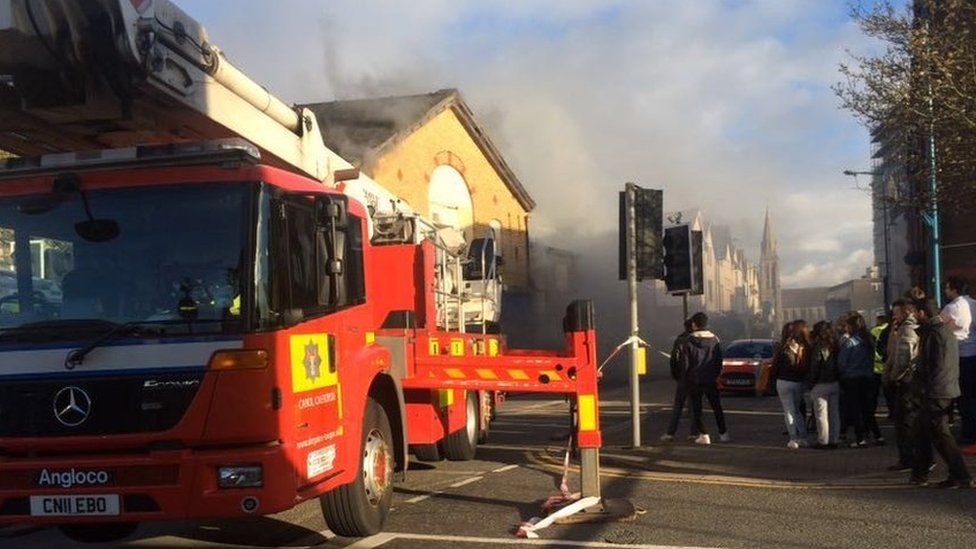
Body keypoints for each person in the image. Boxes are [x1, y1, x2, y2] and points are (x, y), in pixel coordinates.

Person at [910, 298, 974, 488]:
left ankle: (961, 475)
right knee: (923, 430)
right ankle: (921, 473)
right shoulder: (943, 331)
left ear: (923, 313)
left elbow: (935, 366)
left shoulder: (935, 333)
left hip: (937, 391)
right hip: (944, 388)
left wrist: (924, 386)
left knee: (941, 434)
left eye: (915, 312)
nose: (914, 315)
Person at [884, 299, 922, 472]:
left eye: (896, 313)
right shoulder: (903, 328)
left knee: (904, 422)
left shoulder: (907, 330)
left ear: (906, 312)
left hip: (906, 381)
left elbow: (903, 357)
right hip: (911, 380)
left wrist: (893, 376)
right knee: (909, 421)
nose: (894, 317)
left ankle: (908, 459)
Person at [681, 312, 728, 445]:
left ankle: (704, 434)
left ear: (694, 324)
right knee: (716, 407)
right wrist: (715, 375)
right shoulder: (714, 339)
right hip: (710, 379)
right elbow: (718, 361)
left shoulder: (688, 340)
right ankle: (723, 433)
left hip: (694, 379)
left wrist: (685, 378)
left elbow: (686, 363)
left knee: (696, 408)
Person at [941, 277, 976, 451]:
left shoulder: (951, 308)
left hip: (958, 354)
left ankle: (968, 433)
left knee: (963, 397)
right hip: (973, 352)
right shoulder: (973, 304)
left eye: (947, 288)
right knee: (972, 395)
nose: (946, 291)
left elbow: (940, 329)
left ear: (954, 289)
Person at [838, 313, 883, 447]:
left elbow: (842, 362)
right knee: (868, 409)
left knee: (855, 409)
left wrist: (842, 373)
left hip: (851, 378)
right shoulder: (869, 341)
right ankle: (878, 436)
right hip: (867, 377)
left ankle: (860, 439)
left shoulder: (850, 342)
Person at [772, 320, 810, 449]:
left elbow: (775, 366)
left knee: (789, 410)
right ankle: (803, 437)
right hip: (798, 382)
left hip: (783, 381)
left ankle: (793, 438)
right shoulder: (803, 346)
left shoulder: (782, 347)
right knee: (797, 409)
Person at [807, 321, 841, 449]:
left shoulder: (818, 346)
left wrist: (811, 382)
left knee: (821, 414)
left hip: (821, 383)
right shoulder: (836, 345)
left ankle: (823, 440)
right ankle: (834, 439)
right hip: (835, 382)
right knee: (834, 413)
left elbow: (815, 366)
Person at [661, 318, 694, 442]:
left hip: (683, 378)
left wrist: (677, 376)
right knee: (695, 407)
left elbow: (674, 360)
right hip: (696, 378)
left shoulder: (680, 340)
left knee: (678, 406)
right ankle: (694, 433)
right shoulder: (698, 339)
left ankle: (670, 433)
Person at [871, 314, 893, 419]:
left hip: (875, 366)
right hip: (887, 366)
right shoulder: (891, 330)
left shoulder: (874, 331)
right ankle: (892, 411)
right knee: (888, 392)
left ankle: (872, 412)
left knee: (874, 393)